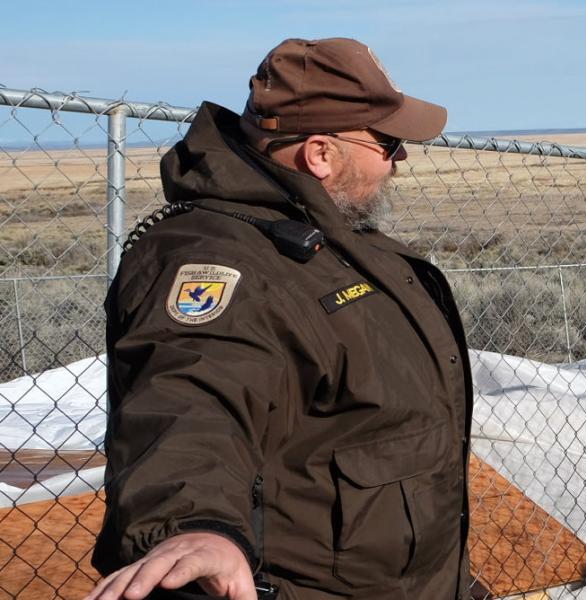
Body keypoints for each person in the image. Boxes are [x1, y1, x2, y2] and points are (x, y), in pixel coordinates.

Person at [86, 38, 472, 600]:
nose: (399, 160)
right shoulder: (219, 259)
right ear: (319, 153)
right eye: (387, 143)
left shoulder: (325, 238)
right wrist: (197, 527)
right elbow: (193, 391)